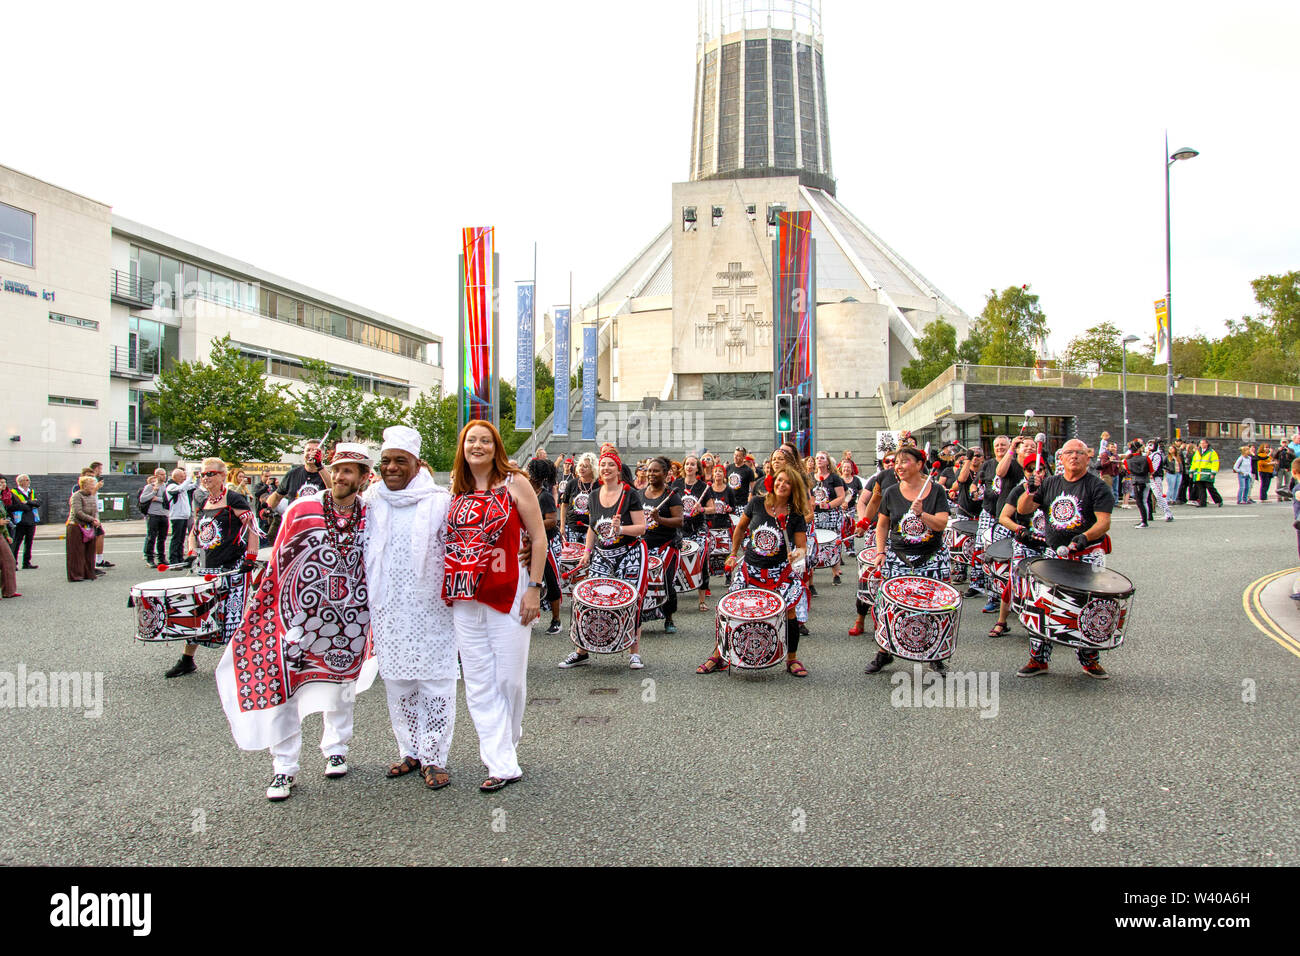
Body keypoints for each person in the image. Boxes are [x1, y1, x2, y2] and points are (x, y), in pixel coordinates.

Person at [216, 443, 375, 802]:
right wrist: (267, 607)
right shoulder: (303, 509)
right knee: (286, 686)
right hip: (299, 619)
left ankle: (337, 747)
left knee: (341, 686)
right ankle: (284, 767)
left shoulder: (371, 513)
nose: (339, 475)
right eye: (336, 469)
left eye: (349, 470)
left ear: (364, 478)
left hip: (350, 619)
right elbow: (280, 560)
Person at [445, 420, 547, 792]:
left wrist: (534, 588)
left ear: (496, 446)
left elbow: (538, 538)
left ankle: (508, 740)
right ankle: (500, 761)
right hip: (464, 595)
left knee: (509, 678)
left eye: (485, 440)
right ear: (463, 447)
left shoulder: (515, 481)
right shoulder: (455, 487)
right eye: (471, 440)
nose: (478, 446)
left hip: (510, 588)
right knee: (477, 682)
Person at [363, 426, 459, 791]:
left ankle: (435, 756)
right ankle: (411, 750)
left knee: (435, 681)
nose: (391, 467)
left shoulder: (439, 500)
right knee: (398, 681)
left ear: (417, 464)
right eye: (385, 461)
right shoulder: (371, 500)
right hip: (388, 606)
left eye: (399, 461)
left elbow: (464, 545)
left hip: (431, 608)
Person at [1014, 439, 1115, 679]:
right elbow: (1023, 510)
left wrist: (1084, 537)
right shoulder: (1049, 483)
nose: (1074, 457)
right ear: (1060, 459)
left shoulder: (1097, 486)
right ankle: (1038, 659)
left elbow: (1104, 522)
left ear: (1088, 458)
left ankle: (1090, 659)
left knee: (1087, 605)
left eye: (1079, 452)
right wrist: (1029, 490)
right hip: (1052, 555)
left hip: (1087, 554)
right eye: (1069, 452)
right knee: (1042, 604)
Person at [699, 463, 809, 677]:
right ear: (772, 481)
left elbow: (802, 546)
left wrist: (797, 554)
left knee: (790, 611)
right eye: (779, 480)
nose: (782, 484)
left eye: (788, 482)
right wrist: (732, 554)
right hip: (750, 568)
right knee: (728, 610)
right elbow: (740, 528)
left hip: (779, 572)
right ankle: (719, 655)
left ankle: (792, 659)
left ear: (794, 487)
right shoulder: (757, 503)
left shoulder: (795, 514)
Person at [162, 458, 260, 679]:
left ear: (223, 475)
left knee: (232, 618)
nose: (205, 478)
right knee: (199, 615)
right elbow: (195, 532)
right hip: (207, 568)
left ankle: (238, 664)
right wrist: (191, 552)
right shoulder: (204, 501)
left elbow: (252, 528)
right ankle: (187, 660)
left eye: (210, 474)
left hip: (232, 568)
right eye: (202, 474)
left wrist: (251, 558)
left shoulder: (235, 499)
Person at [864, 446, 953, 675]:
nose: (899, 466)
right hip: (898, 557)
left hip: (931, 558)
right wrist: (881, 552)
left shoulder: (937, 491)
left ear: (919, 464)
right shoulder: (892, 492)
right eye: (896, 462)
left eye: (904, 461)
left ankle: (936, 655)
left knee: (934, 609)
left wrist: (922, 514)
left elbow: (941, 524)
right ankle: (885, 652)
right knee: (890, 607)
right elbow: (882, 525)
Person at [560, 448, 648, 671]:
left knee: (632, 600)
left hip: (629, 554)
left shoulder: (630, 495)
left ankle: (634, 652)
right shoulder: (593, 495)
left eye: (611, 465)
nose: (607, 468)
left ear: (618, 470)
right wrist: (587, 552)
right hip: (601, 554)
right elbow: (592, 527)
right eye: (604, 465)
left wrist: (622, 529)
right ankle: (582, 651)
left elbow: (642, 528)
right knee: (591, 599)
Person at [638, 457, 684, 633]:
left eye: (656, 471)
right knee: (641, 581)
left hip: (667, 546)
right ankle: (641, 614)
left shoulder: (672, 496)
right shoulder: (638, 494)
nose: (651, 474)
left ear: (665, 474)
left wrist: (660, 519)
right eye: (649, 470)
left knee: (666, 581)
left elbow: (679, 521)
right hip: (643, 546)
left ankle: (669, 617)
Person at [527, 457, 565, 635]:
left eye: (529, 471)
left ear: (536, 476)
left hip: (547, 543)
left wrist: (533, 523)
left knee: (550, 580)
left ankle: (556, 620)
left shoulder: (545, 496)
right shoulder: (527, 494)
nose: (526, 474)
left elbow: (552, 521)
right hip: (531, 542)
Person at [677, 455, 711, 613]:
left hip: (698, 528)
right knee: (676, 560)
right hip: (681, 528)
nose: (689, 467)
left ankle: (702, 599)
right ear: (684, 467)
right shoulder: (676, 484)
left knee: (701, 559)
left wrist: (701, 509)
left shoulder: (703, 487)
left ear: (697, 468)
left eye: (693, 464)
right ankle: (674, 594)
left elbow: (712, 508)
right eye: (687, 464)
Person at [809, 451, 847, 588]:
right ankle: (811, 573)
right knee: (814, 542)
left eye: (822, 458)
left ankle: (835, 572)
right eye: (817, 458)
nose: (819, 460)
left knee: (833, 542)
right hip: (815, 514)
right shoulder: (810, 477)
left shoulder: (834, 478)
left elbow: (841, 496)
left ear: (827, 462)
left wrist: (829, 504)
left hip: (831, 513)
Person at [700, 462, 736, 600]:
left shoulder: (729, 490)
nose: (718, 474)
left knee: (726, 550)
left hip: (724, 522)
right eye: (716, 472)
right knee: (709, 552)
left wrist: (729, 509)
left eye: (720, 472)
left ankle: (728, 576)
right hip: (710, 522)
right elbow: (704, 505)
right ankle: (707, 581)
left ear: (724, 474)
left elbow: (733, 506)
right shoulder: (708, 489)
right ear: (713, 474)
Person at [267, 439, 328, 513]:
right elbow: (277, 496)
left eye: (315, 451)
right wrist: (267, 509)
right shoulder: (292, 474)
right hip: (295, 521)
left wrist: (319, 466)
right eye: (308, 450)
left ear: (323, 456)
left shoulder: (328, 476)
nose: (311, 453)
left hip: (319, 521)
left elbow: (334, 491)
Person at [65, 475, 100, 582]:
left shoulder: (91, 496)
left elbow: (95, 510)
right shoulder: (76, 496)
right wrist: (92, 520)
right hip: (76, 526)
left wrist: (96, 520)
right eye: (91, 484)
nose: (93, 487)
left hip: (89, 526)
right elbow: (77, 512)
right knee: (76, 552)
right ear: (84, 485)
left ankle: (88, 573)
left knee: (89, 552)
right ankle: (76, 574)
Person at [559, 453, 598, 545]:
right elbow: (564, 505)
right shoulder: (571, 483)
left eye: (585, 466)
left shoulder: (598, 486)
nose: (581, 468)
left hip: (590, 530)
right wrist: (562, 526)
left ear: (592, 469)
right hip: (571, 528)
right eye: (580, 465)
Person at [137, 469, 170, 567]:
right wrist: (153, 493)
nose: (163, 476)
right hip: (153, 515)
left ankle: (161, 558)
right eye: (161, 474)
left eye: (164, 474)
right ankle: (149, 558)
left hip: (164, 514)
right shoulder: (150, 487)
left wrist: (157, 499)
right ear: (156, 475)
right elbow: (142, 499)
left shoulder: (166, 487)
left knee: (162, 538)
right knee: (152, 537)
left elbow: (167, 500)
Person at [8, 475, 39, 570]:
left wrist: (28, 502)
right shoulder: (13, 493)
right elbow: (15, 506)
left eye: (28, 479)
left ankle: (26, 562)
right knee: (17, 543)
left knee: (29, 543)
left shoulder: (31, 491)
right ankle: (14, 563)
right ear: (20, 482)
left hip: (31, 521)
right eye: (26, 480)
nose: (28, 481)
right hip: (20, 521)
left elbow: (38, 503)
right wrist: (31, 504)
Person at [1123, 440, 1153, 528]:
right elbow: (1151, 470)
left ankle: (1144, 521)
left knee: (1140, 502)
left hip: (1136, 481)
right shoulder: (1146, 458)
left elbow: (1129, 471)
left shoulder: (1127, 460)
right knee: (1145, 501)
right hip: (1146, 480)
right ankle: (1145, 519)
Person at [1145, 439, 1174, 522]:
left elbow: (1154, 468)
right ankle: (1148, 514)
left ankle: (1168, 513)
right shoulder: (1150, 454)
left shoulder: (1156, 455)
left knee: (1158, 496)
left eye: (1151, 445)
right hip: (1148, 478)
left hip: (1155, 478)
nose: (1149, 447)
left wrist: (1150, 474)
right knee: (1147, 497)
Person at [1190, 439, 1223, 507]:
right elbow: (1194, 462)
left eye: (1203, 443)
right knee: (1201, 489)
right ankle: (1202, 503)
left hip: (1207, 473)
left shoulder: (1212, 452)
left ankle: (1218, 500)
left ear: (1207, 444)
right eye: (1201, 443)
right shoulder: (1197, 452)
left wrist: (1213, 473)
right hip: (1198, 474)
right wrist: (1191, 471)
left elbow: (1215, 463)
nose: (1202, 445)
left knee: (1210, 488)